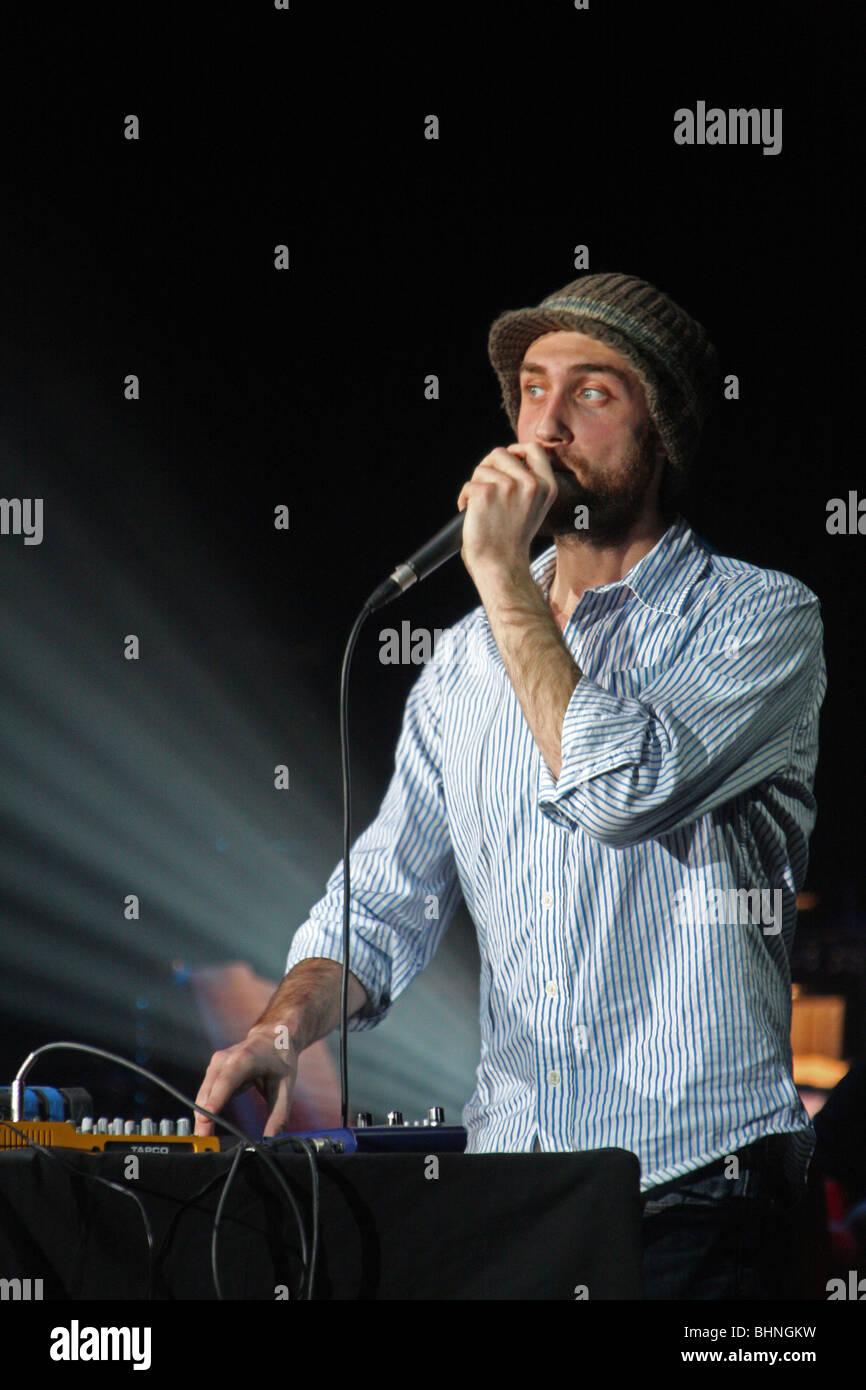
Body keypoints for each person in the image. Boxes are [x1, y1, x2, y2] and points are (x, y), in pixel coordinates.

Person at [195, 272, 826, 1299]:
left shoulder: (758, 619)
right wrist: (279, 1030)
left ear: (659, 427)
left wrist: (496, 578)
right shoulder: (459, 664)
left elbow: (621, 788)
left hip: (697, 1198)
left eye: (590, 392)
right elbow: (381, 902)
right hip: (514, 1189)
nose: (545, 423)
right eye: (532, 388)